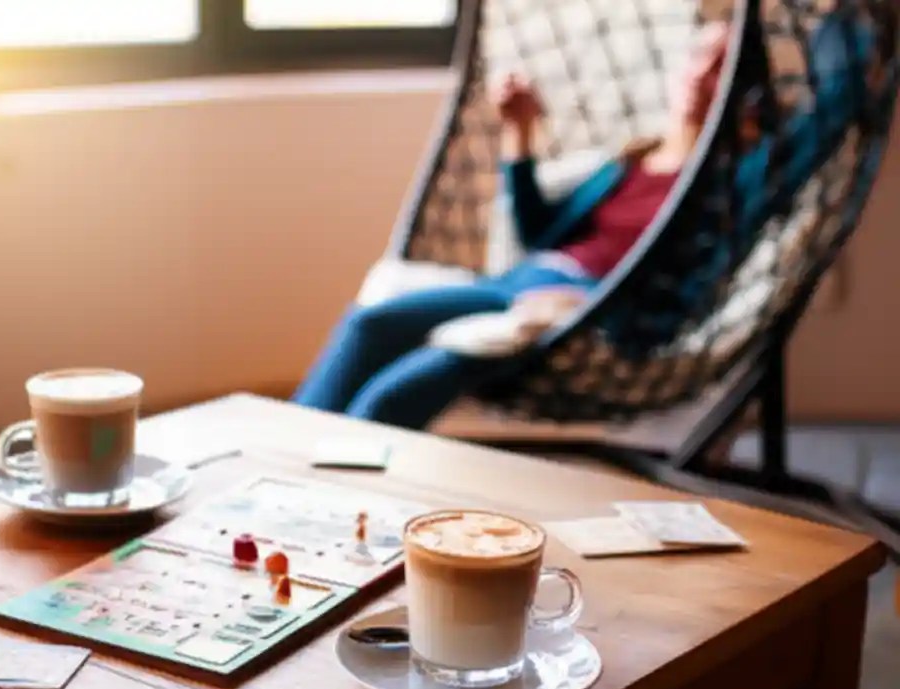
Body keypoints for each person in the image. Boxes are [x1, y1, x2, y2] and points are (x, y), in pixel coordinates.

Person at [294, 16, 881, 430]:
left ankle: (333, 504)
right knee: (369, 324)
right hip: (524, 280)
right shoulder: (628, 160)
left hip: (590, 309)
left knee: (387, 400)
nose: (704, 72)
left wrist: (848, 22)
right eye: (700, 56)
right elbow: (536, 229)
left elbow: (827, 112)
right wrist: (520, 135)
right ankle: (276, 455)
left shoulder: (738, 179)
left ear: (742, 87)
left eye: (723, 65)